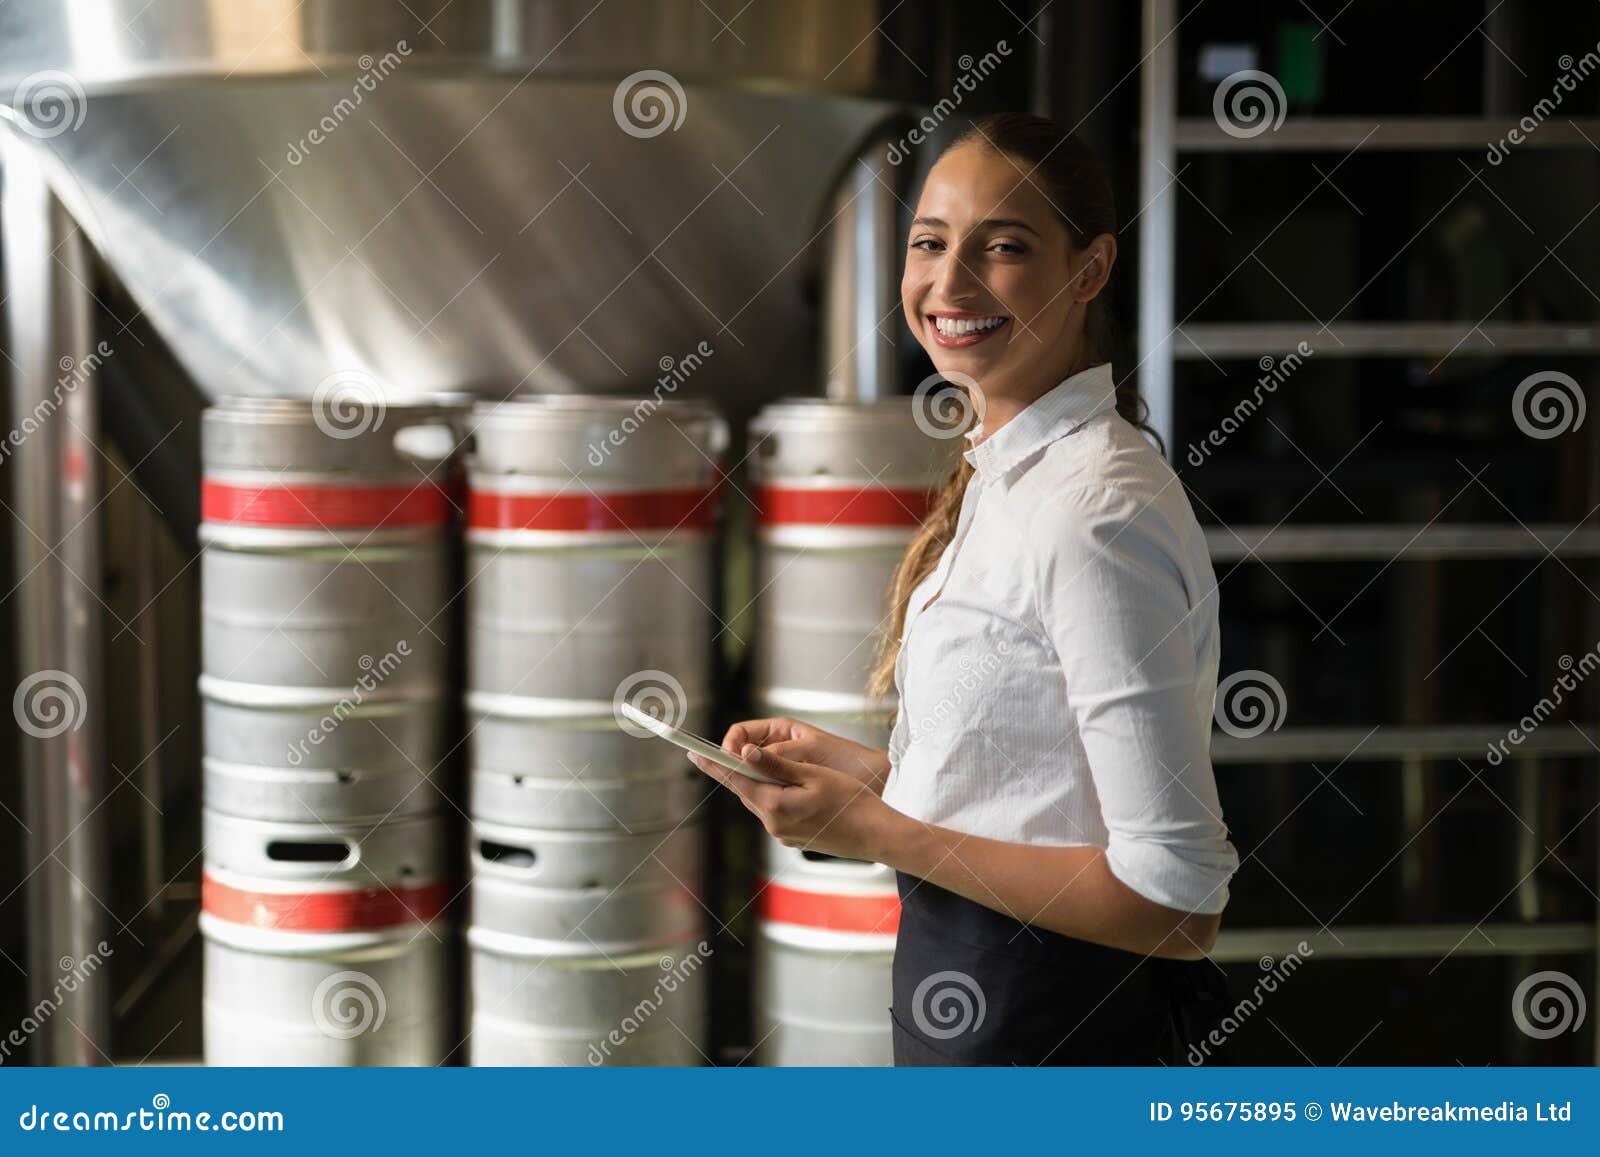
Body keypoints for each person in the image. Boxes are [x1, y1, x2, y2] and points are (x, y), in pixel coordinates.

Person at [689, 112, 1239, 1065]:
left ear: (1090, 270)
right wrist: (862, 775)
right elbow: (1034, 792)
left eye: (1006, 247)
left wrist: (876, 827)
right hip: (978, 1008)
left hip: (1055, 1031)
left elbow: (1175, 898)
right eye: (929, 244)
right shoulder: (1011, 475)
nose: (950, 284)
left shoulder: (1090, 512)